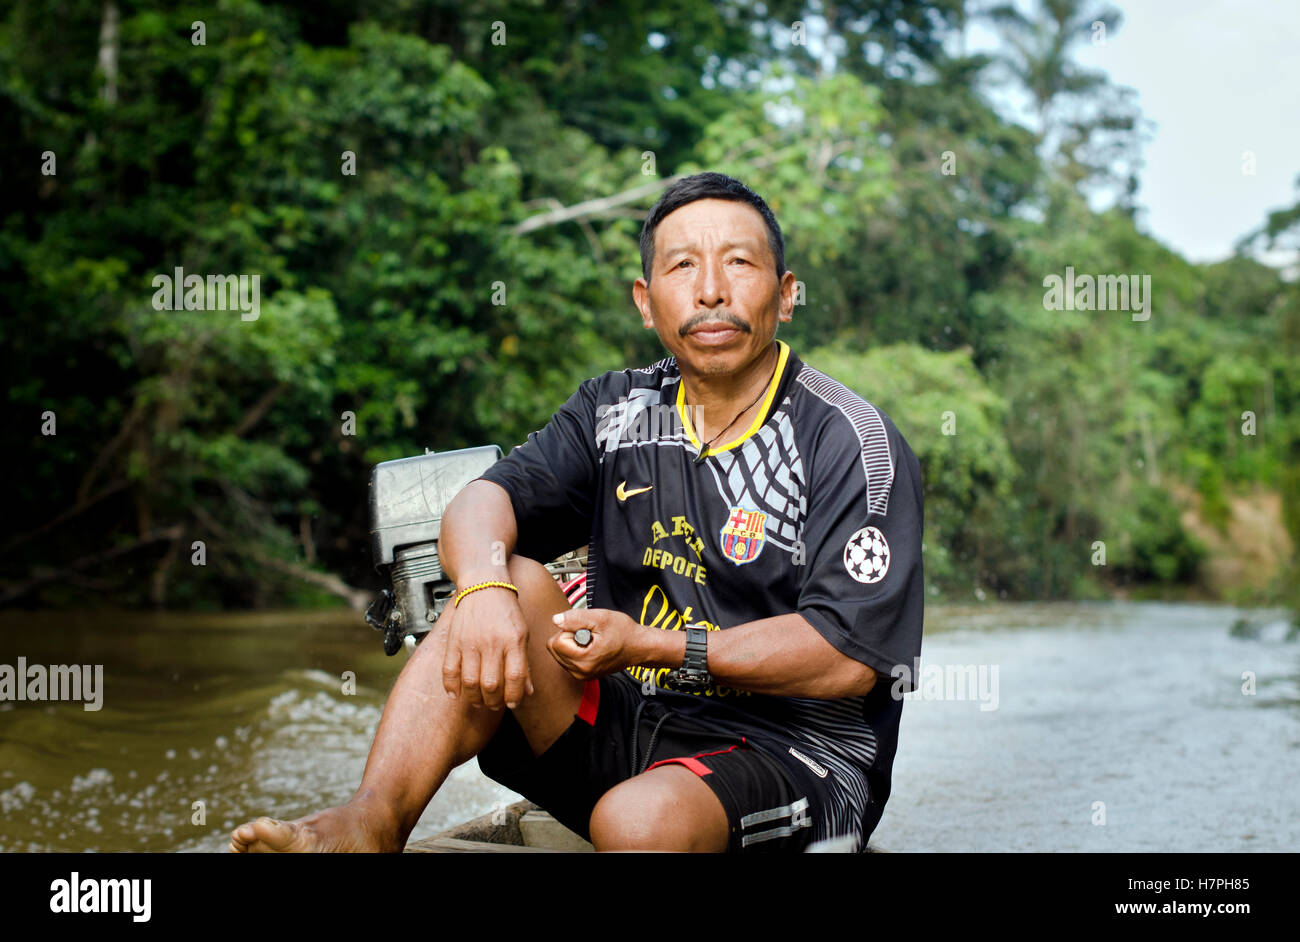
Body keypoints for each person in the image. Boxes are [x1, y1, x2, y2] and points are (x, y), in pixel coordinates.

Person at [230, 171, 924, 853]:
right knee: (507, 585)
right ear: (646, 302)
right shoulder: (615, 410)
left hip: (799, 755)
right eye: (683, 266)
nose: (712, 290)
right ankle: (373, 821)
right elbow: (482, 500)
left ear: (787, 293)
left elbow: (846, 657)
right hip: (635, 721)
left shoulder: (847, 443)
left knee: (636, 823)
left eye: (739, 263)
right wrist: (479, 586)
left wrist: (651, 646)